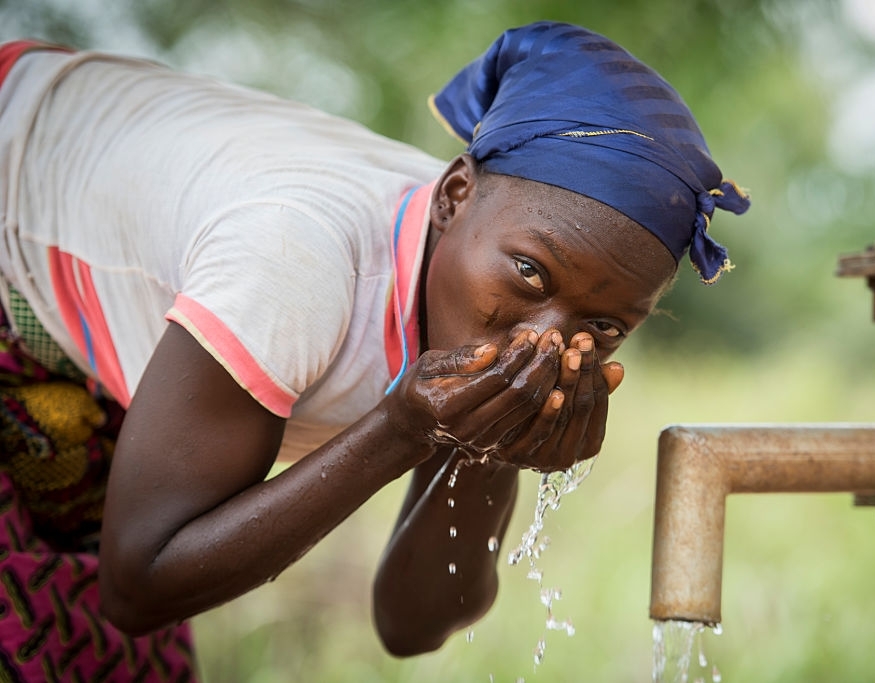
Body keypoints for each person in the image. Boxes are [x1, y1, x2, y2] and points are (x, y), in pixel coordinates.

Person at [0, 21, 749, 680]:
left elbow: (411, 625)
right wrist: (400, 428)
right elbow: (137, 586)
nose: (544, 340)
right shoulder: (298, 260)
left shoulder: (473, 266)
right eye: (529, 272)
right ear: (455, 194)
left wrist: (489, 445)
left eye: (607, 326)